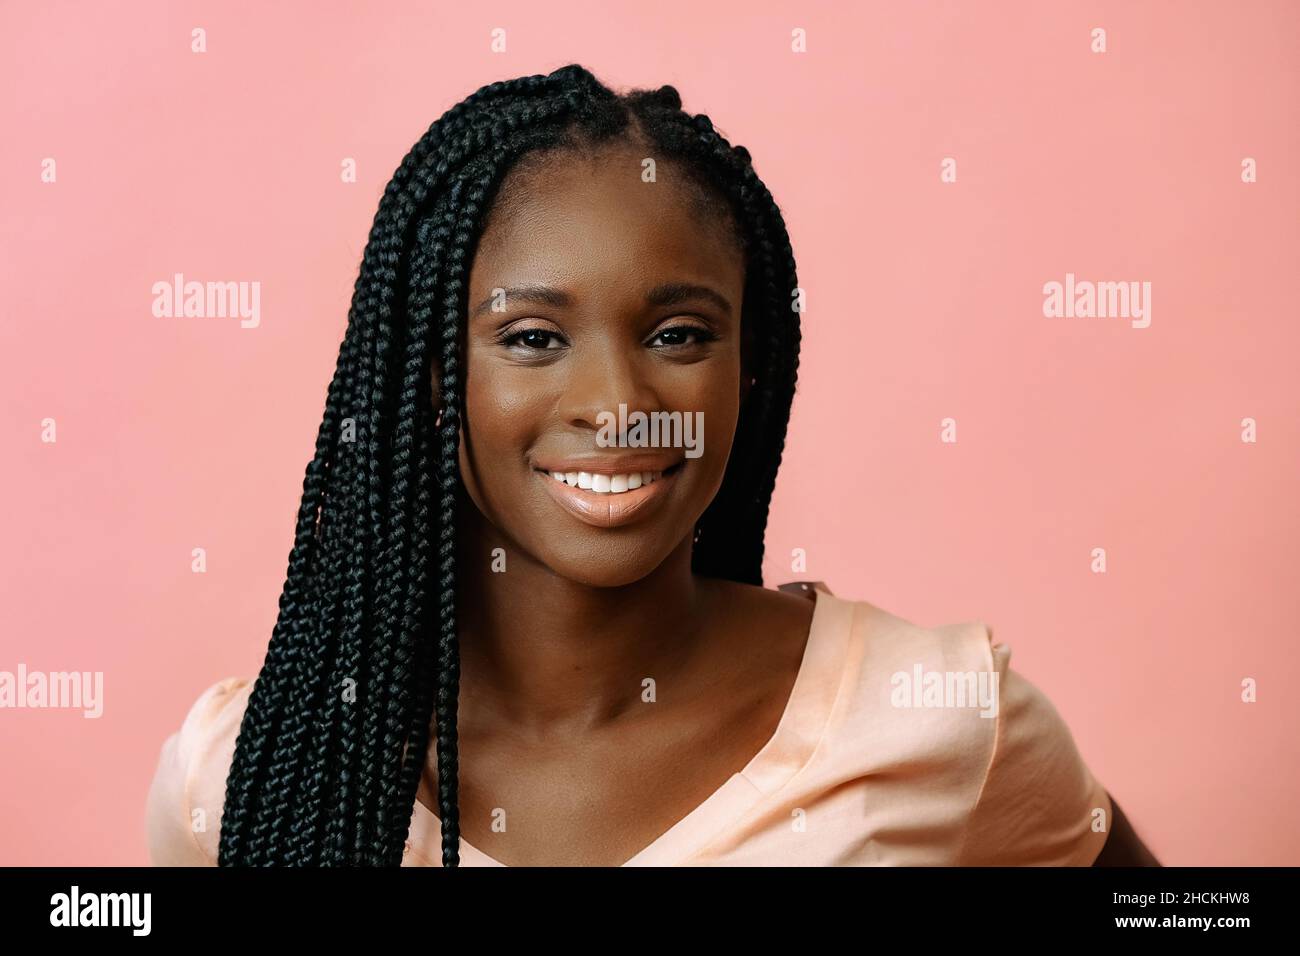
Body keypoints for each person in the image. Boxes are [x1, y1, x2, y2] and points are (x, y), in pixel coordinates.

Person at [145, 64, 1157, 867]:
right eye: (533, 337)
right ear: (428, 373)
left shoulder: (935, 713)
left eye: (677, 334)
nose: (621, 409)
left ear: (750, 366)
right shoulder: (253, 768)